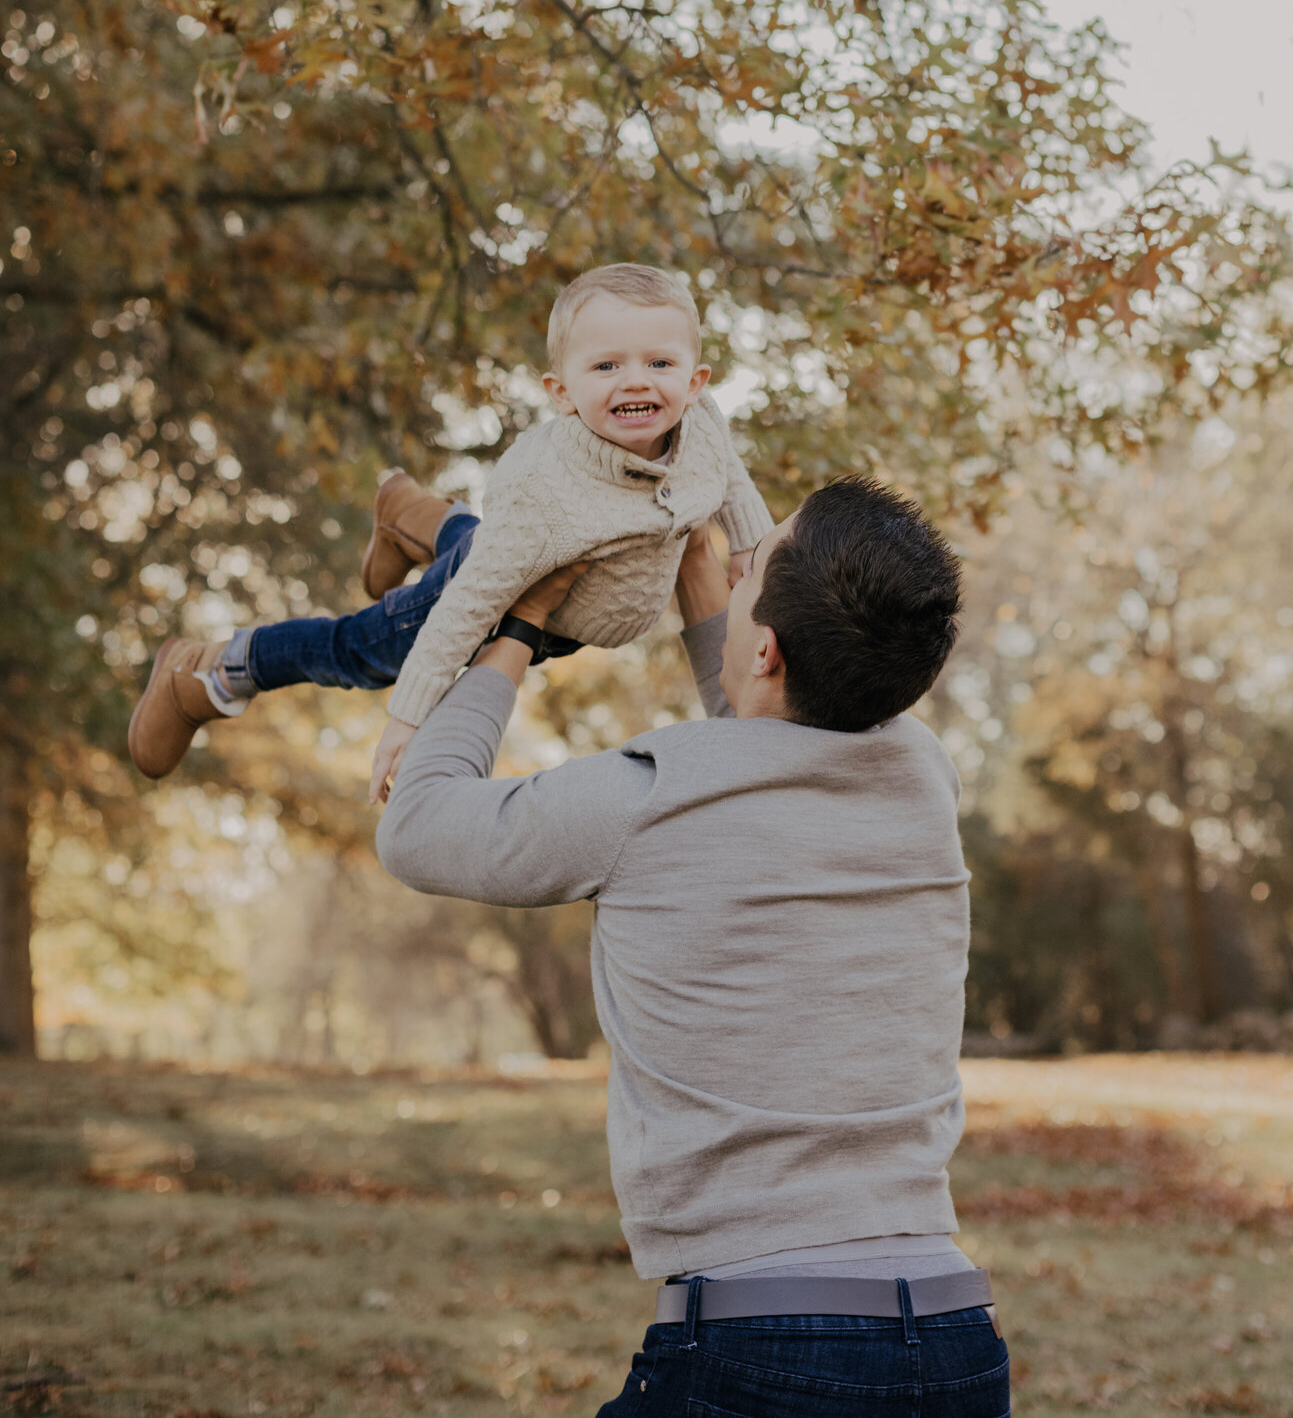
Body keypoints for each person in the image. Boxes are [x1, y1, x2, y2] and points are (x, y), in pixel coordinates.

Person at [376, 478, 1009, 1418]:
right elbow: (770, 727)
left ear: (768, 649)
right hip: (958, 1347)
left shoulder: (647, 794)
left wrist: (512, 629)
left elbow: (417, 822)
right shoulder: (921, 775)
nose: (742, 557)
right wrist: (705, 571)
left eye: (761, 556)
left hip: (761, 1353)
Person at [127, 265, 770, 784]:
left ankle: (412, 516)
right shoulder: (543, 503)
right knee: (363, 649)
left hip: (553, 599)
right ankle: (216, 670)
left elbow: (724, 467)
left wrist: (748, 538)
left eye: (659, 364)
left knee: (494, 553)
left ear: (695, 383)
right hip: (477, 601)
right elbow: (465, 608)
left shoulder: (696, 418)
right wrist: (407, 720)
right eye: (607, 366)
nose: (638, 380)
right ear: (562, 392)